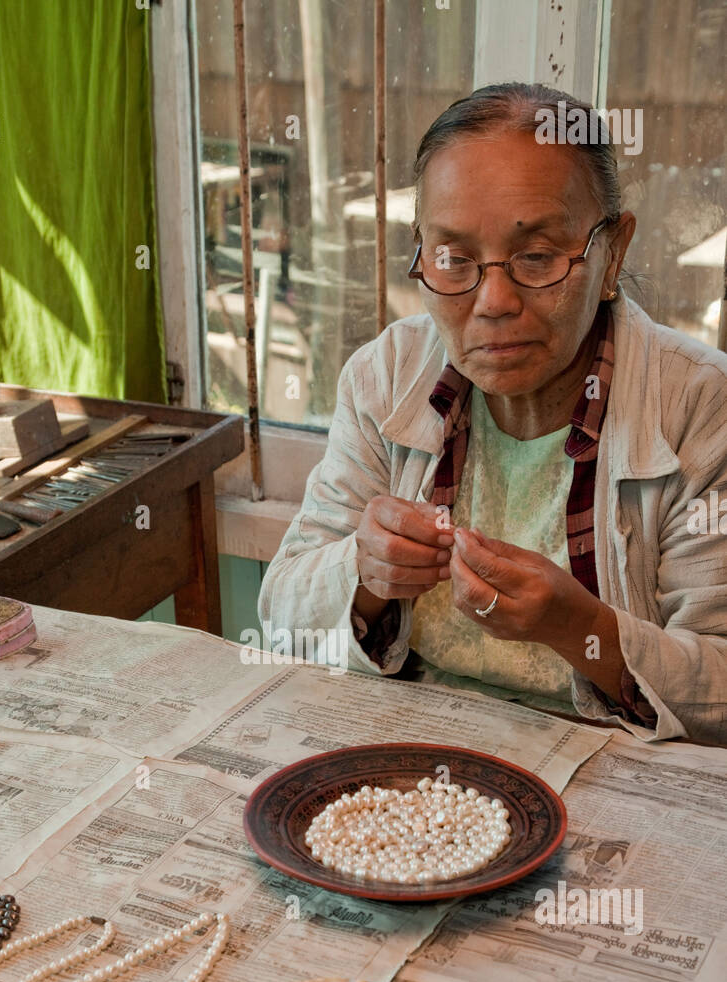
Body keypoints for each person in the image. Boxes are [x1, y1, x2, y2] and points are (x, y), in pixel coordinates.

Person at [258, 83, 727, 744]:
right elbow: (282, 613)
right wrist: (363, 577)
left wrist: (579, 629)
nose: (494, 301)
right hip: (420, 752)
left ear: (612, 252)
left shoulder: (700, 406)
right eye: (454, 259)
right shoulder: (384, 378)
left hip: (617, 766)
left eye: (537, 256)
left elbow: (721, 688)